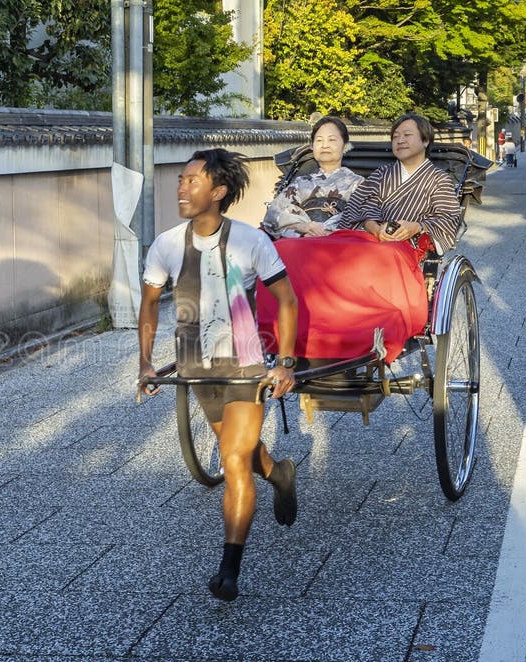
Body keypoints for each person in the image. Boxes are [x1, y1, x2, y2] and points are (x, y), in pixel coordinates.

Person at [138, 148, 299, 602]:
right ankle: (280, 474)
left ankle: (229, 569)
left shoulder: (251, 241)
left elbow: (287, 301)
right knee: (242, 453)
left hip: (245, 365)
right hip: (195, 366)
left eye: (192, 180)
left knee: (232, 460)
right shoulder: (166, 244)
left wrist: (284, 362)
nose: (181, 187)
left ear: (219, 191)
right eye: (181, 180)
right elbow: (150, 304)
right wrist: (146, 363)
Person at [259, 114, 461, 364]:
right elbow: (359, 209)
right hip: (370, 239)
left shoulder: (439, 179)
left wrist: (415, 226)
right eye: (395, 136)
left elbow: (449, 217)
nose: (399, 140)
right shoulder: (381, 175)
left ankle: (373, 327)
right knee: (287, 249)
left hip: (405, 246)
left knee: (370, 257)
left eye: (407, 135)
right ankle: (299, 327)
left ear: (425, 140)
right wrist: (371, 225)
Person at [261, 116, 364, 239]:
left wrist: (328, 230)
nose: (325, 145)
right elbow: (274, 214)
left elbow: (367, 218)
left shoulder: (359, 183)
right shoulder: (299, 183)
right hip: (303, 239)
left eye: (332, 140)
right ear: (312, 146)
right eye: (319, 140)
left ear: (345, 146)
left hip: (341, 242)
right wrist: (303, 227)